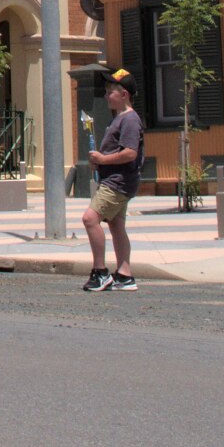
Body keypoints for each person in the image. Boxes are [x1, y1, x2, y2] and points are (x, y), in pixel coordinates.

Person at [81, 68, 144, 291]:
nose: (107, 96)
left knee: (90, 219)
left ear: (124, 94)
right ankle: (124, 275)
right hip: (117, 179)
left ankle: (100, 272)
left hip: (118, 181)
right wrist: (98, 161)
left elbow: (130, 153)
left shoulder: (129, 120)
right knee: (117, 225)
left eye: (111, 92)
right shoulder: (119, 118)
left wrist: (103, 159)